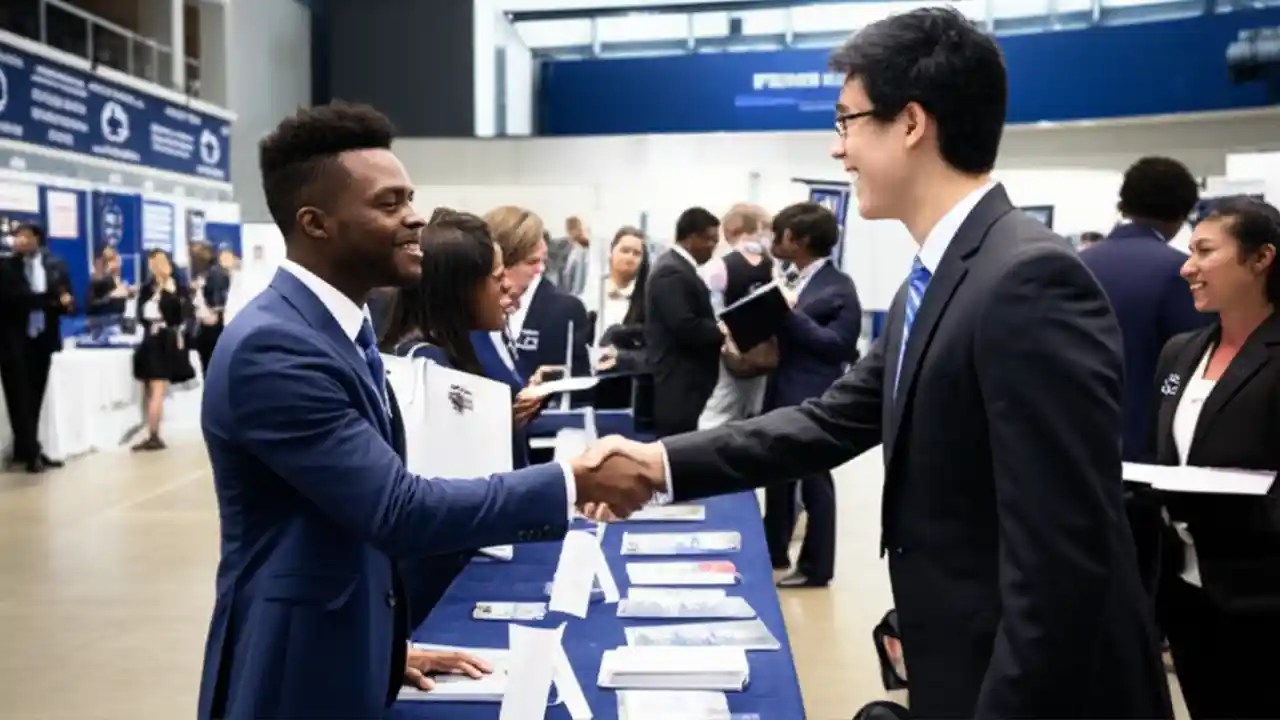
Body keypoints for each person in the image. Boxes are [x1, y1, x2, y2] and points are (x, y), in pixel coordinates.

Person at [580, 10, 1171, 718]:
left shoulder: (1028, 279)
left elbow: (1060, 563)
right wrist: (658, 465)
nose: (840, 150)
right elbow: (831, 421)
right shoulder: (943, 273)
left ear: (912, 123)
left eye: (847, 121)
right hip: (962, 655)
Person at [196, 103, 653, 720]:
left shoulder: (339, 328)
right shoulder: (274, 347)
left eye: (409, 197)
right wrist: (571, 482)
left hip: (350, 645)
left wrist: (387, 647)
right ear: (317, 223)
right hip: (296, 669)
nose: (415, 217)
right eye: (389, 204)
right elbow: (395, 509)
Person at [1148, 196, 1280, 720]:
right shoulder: (1180, 351)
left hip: (1263, 595)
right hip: (1186, 591)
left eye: (1204, 251)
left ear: (1261, 257)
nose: (1187, 267)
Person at [378, 207, 515, 629]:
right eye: (496, 277)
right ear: (463, 288)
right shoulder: (426, 366)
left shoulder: (438, 357)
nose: (507, 286)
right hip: (429, 597)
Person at [1081, 156, 1211, 598]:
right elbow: (1185, 370)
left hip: (1073, 452)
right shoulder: (1177, 274)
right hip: (1142, 461)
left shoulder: (1076, 263)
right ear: (1181, 213)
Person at [762, 202, 863, 589]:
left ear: (800, 239)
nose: (774, 242)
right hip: (781, 387)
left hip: (813, 395)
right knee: (776, 472)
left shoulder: (839, 287)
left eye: (780, 235)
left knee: (815, 480)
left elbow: (838, 345)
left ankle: (817, 566)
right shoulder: (794, 278)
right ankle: (773, 550)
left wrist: (788, 315)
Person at [485, 206, 592, 384]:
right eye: (532, 262)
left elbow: (579, 392)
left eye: (542, 261)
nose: (540, 270)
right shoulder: (472, 315)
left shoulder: (564, 311)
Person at [644, 207, 724, 437]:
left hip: (685, 381)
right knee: (678, 447)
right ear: (692, 238)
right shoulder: (673, 272)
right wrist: (723, 330)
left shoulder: (678, 268)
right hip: (679, 381)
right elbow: (685, 326)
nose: (713, 247)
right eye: (710, 240)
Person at [697, 203, 776, 430]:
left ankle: (705, 455)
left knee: (720, 409)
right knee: (753, 410)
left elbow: (713, 311)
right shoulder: (771, 266)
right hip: (763, 351)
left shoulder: (719, 267)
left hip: (731, 352)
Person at [0, 223, 71, 473]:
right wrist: (51, 300)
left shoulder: (55, 265)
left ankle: (27, 449)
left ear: (37, 239)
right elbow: (17, 299)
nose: (20, 240)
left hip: (43, 340)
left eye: (25, 236)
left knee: (35, 397)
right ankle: (31, 452)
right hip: (14, 342)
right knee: (19, 397)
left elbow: (66, 298)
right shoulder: (7, 267)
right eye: (16, 236)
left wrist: (61, 302)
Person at [131, 249, 195, 452]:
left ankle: (154, 433)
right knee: (149, 389)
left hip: (163, 342)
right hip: (150, 340)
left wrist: (168, 291)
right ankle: (152, 429)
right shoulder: (147, 289)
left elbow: (178, 315)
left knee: (157, 388)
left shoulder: (176, 288)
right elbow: (141, 315)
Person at [87, 246, 134, 316]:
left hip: (118, 316)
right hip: (102, 318)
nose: (120, 264)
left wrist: (130, 292)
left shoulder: (117, 278)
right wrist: (111, 296)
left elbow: (122, 294)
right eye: (115, 261)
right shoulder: (100, 280)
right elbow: (91, 304)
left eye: (119, 261)